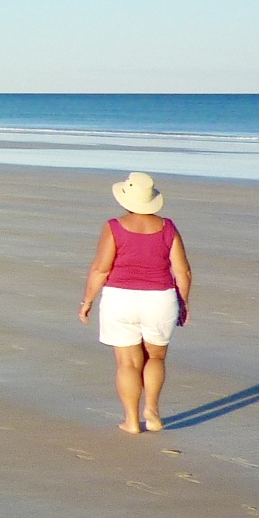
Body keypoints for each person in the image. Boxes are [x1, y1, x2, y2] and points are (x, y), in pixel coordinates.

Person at [79, 172, 192, 434]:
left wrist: (87, 301)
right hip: (160, 299)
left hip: (120, 299)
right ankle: (152, 410)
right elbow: (183, 271)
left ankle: (131, 421)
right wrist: (183, 302)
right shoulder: (167, 228)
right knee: (156, 357)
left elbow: (100, 269)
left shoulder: (114, 227)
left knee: (128, 363)